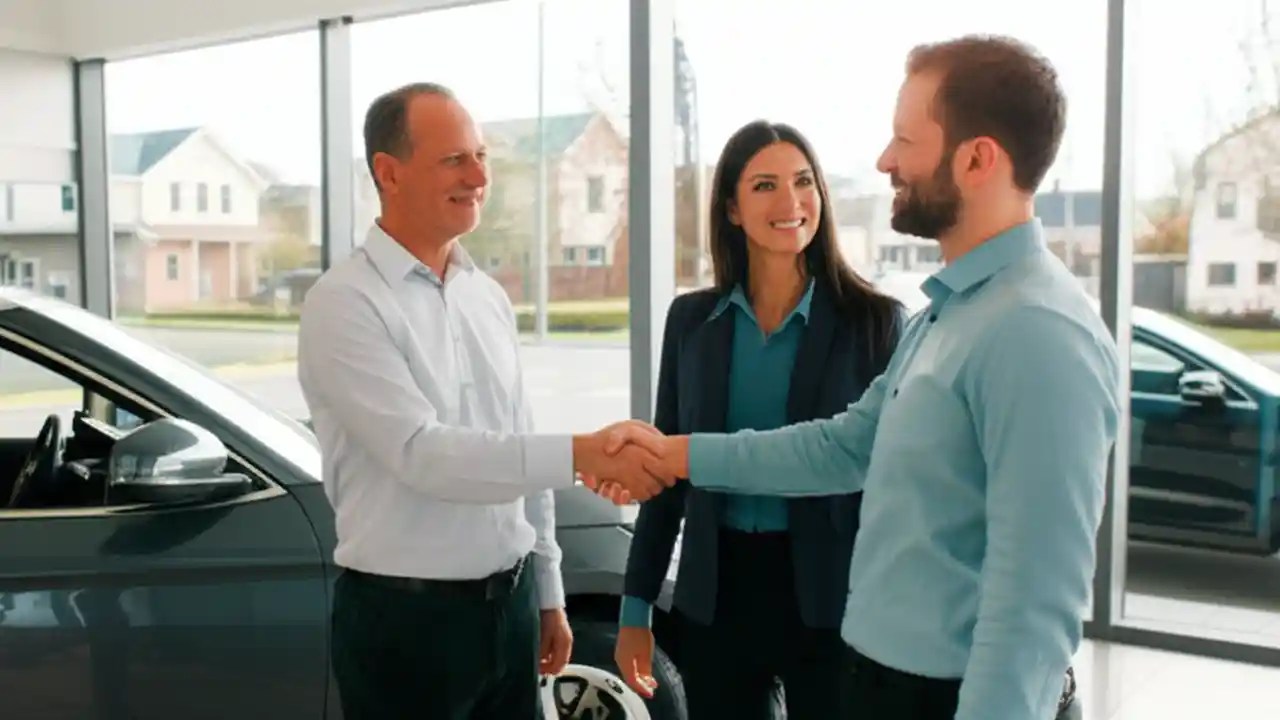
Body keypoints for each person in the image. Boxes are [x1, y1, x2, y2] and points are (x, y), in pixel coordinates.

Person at [594, 35, 1120, 720]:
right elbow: (843, 446)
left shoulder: (1039, 332)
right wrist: (676, 454)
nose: (884, 160)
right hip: (880, 682)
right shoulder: (951, 314)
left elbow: (1033, 611)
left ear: (976, 158)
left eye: (905, 139)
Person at [297, 82, 674, 719]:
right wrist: (586, 454)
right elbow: (424, 455)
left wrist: (548, 590)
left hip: (513, 606)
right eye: (454, 160)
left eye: (481, 157)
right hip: (407, 626)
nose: (477, 175)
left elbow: (517, 441)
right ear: (389, 173)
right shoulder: (344, 303)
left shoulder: (485, 296)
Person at [613, 120, 902, 719]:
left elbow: (891, 480)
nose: (790, 202)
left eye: (803, 182)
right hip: (717, 595)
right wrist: (635, 607)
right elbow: (667, 472)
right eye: (765, 186)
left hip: (834, 599)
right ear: (733, 210)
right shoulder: (693, 322)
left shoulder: (875, 322)